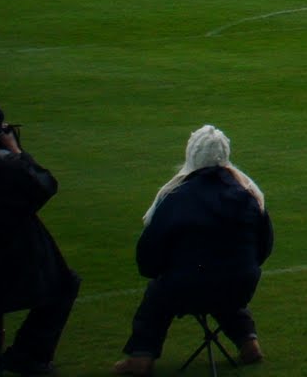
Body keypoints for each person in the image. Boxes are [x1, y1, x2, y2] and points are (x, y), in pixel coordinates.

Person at [111, 126, 272, 376]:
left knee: (158, 297)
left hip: (187, 287)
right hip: (240, 285)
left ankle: (141, 356)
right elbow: (264, 245)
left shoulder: (174, 197)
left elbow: (149, 254)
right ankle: (248, 341)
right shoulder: (248, 195)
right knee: (222, 288)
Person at [0, 100, 81, 377]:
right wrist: (17, 151)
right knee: (65, 284)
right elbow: (44, 185)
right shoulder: (9, 169)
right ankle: (28, 355)